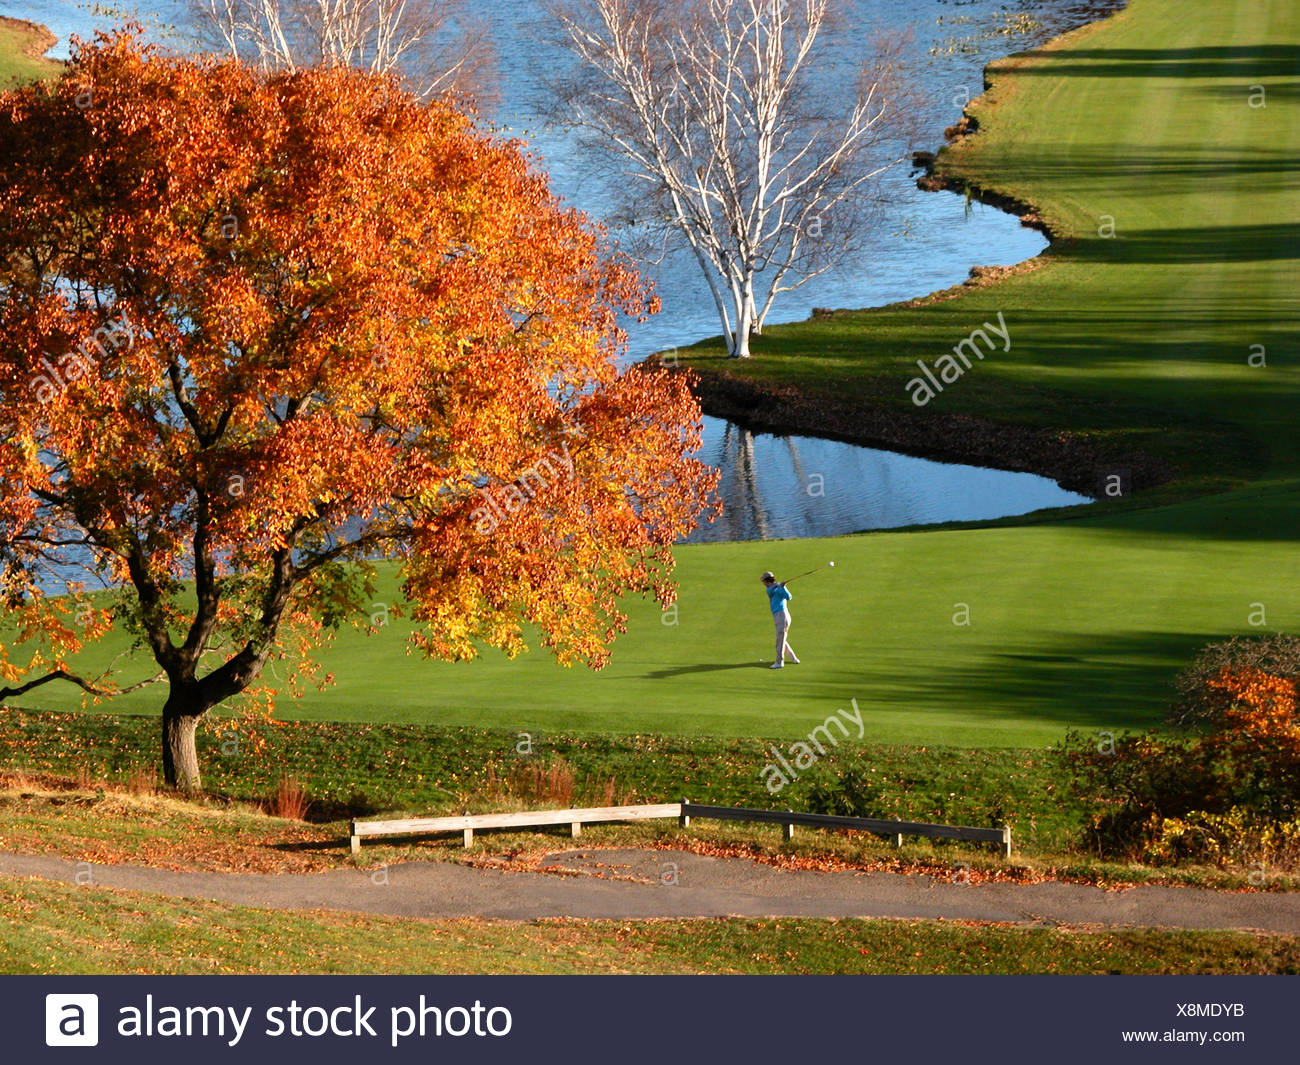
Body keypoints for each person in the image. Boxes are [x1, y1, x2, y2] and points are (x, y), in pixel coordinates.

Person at [760, 571, 799, 669]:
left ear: (767, 581)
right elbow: (771, 592)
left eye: (764, 581)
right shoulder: (770, 589)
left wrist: (783, 587)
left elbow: (789, 597)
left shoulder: (778, 588)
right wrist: (779, 586)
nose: (763, 583)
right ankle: (794, 658)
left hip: (782, 616)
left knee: (780, 641)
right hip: (779, 616)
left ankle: (779, 662)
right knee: (781, 639)